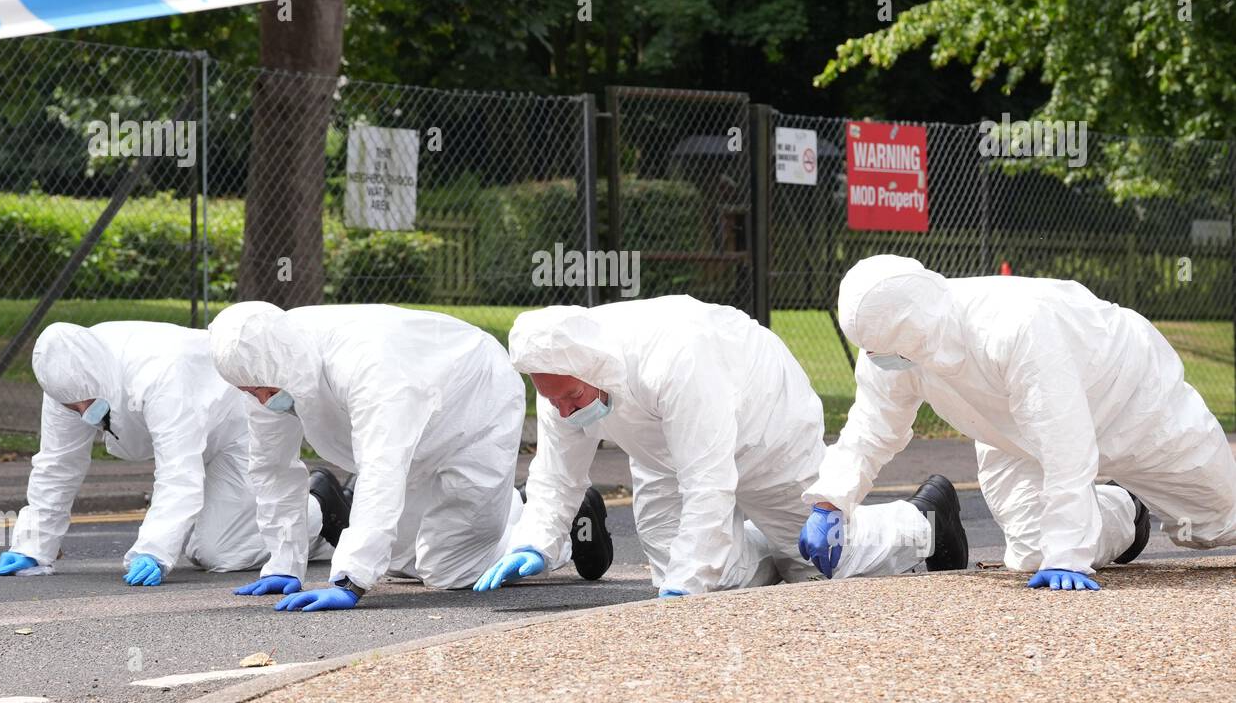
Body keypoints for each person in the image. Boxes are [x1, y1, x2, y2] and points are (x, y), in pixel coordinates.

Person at [476, 296, 968, 598]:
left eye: (571, 398)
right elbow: (559, 473)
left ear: (594, 369)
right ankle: (770, 549)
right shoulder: (560, 371)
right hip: (663, 449)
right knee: (686, 567)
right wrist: (535, 541)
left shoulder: (675, 360)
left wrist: (692, 579)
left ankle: (924, 520)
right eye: (553, 400)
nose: (564, 411)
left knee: (822, 563)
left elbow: (707, 481)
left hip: (767, 428)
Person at [804, 254, 1236, 593]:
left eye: (882, 349)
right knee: (1032, 552)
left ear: (915, 330)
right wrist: (831, 502)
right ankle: (1128, 512)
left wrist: (1068, 555)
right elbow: (871, 428)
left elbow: (1065, 439)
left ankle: (1105, 515)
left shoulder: (1015, 325)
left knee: (1216, 524)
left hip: (1136, 404)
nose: (877, 359)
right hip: (1011, 432)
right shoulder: (892, 346)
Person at [208, 301, 611, 612]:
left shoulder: (370, 365)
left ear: (280, 366)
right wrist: (284, 561)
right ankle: (515, 505)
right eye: (249, 392)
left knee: (449, 571)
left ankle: (562, 530)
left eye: (261, 388)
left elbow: (382, 468)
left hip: (475, 407)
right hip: (412, 425)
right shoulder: (265, 360)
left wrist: (349, 583)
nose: (261, 400)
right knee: (402, 560)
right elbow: (271, 467)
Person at [0, 322, 339, 586]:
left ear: (104, 377)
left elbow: (178, 471)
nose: (84, 412)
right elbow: (58, 463)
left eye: (90, 402)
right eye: (74, 407)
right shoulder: (63, 383)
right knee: (210, 545)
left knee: (215, 553)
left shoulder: (160, 374)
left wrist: (154, 551)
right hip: (191, 431)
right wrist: (33, 545)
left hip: (233, 425)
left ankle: (322, 505)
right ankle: (320, 540)